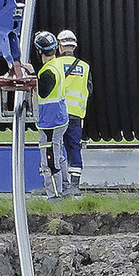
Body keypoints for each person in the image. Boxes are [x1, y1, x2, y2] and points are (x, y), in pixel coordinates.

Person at [33, 30, 71, 199]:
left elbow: (43, 92)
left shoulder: (47, 72)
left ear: (39, 51)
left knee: (50, 161)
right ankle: (65, 189)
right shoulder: (56, 65)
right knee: (58, 155)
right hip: (60, 118)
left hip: (50, 121)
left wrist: (33, 77)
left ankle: (55, 196)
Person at [55, 29, 91, 193]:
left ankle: (54, 184)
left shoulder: (53, 65)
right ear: (74, 47)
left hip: (56, 114)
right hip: (76, 114)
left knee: (53, 147)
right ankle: (75, 185)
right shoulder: (85, 67)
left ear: (59, 47)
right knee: (73, 147)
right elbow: (89, 89)